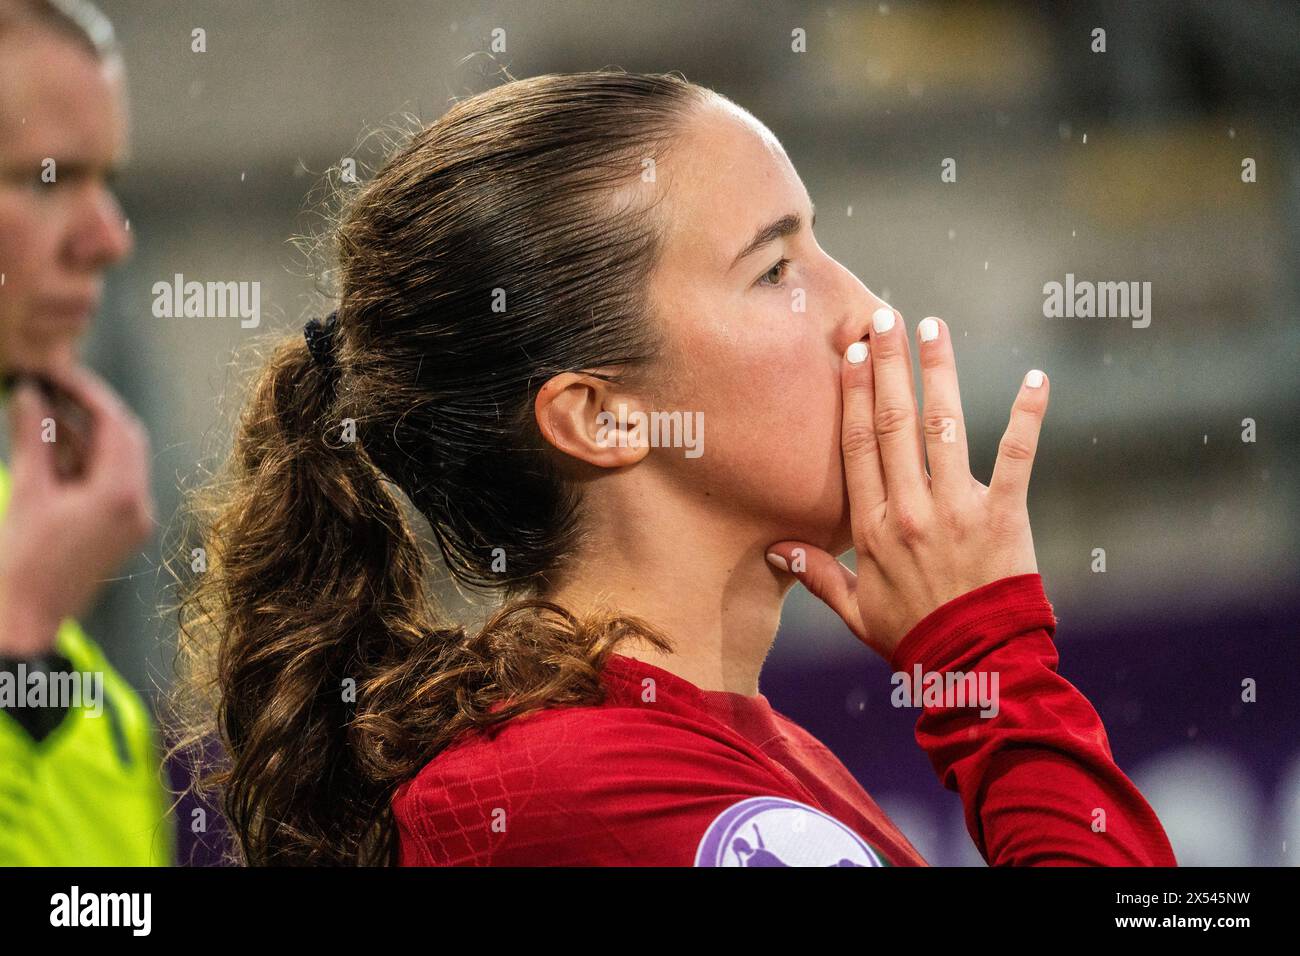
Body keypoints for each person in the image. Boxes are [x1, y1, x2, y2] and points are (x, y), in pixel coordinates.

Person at [172, 70, 1176, 866]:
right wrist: (985, 664)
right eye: (775, 270)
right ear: (600, 416)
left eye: (818, 245)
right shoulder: (569, 787)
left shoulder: (699, 749)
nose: (868, 311)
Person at [0, 0, 173, 866]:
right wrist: (17, 636)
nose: (108, 238)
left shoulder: (24, 526)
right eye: (46, 180)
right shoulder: (29, 585)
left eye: (106, 181)